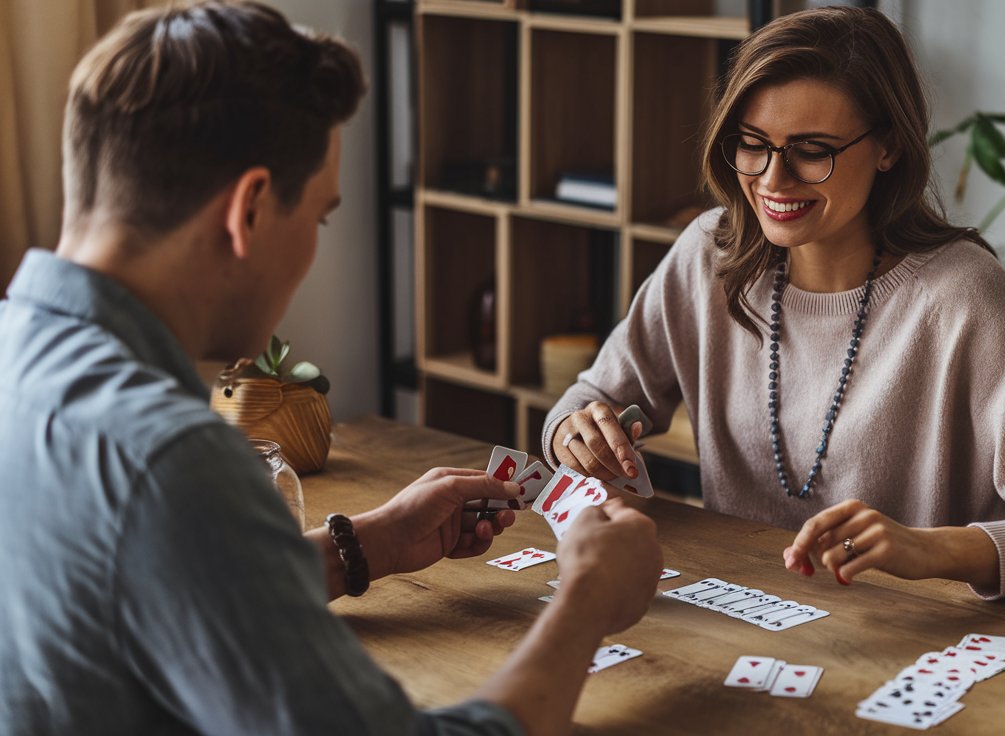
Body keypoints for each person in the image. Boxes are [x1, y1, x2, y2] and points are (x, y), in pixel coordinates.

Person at [0, 3, 661, 734]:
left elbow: (151, 587)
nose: (315, 247)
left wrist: (360, 547)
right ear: (249, 210)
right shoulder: (168, 458)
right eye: (320, 217)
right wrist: (587, 601)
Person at [542, 6, 1005, 599]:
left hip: (911, 641)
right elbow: (588, 401)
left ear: (889, 147)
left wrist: (931, 548)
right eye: (752, 144)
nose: (773, 180)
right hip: (745, 613)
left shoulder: (963, 296)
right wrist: (574, 432)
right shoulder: (709, 255)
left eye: (812, 150)